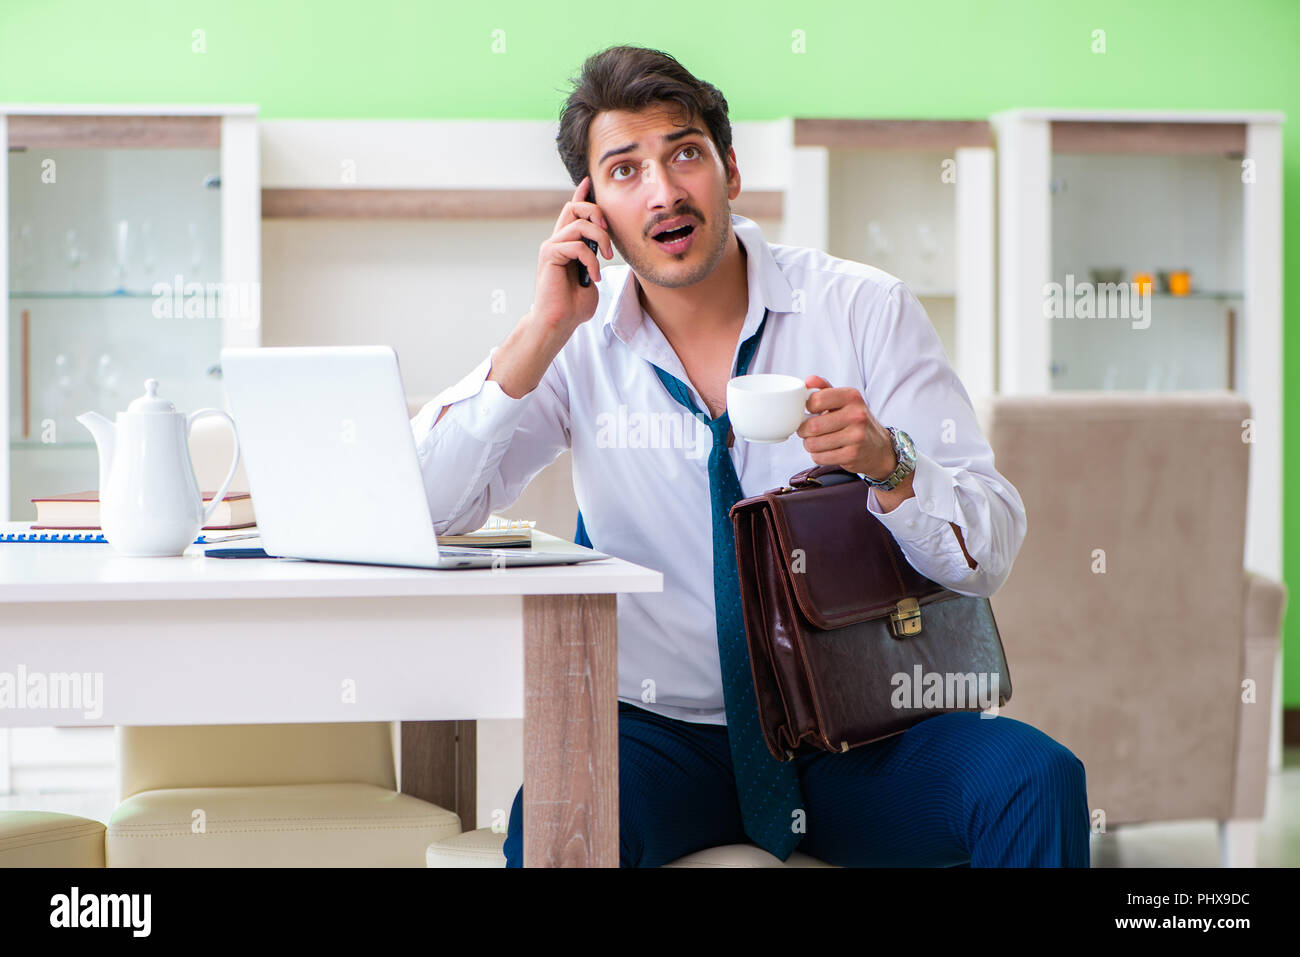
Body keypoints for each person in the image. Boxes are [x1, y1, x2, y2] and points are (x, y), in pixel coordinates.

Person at [410, 44, 1090, 867]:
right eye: (625, 171)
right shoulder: (577, 346)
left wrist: (891, 464)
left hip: (854, 729)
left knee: (1035, 778)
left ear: (729, 169)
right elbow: (425, 512)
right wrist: (540, 332)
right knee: (559, 820)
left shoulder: (863, 310)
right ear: (593, 211)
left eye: (685, 153)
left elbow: (993, 548)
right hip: (659, 738)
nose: (663, 190)